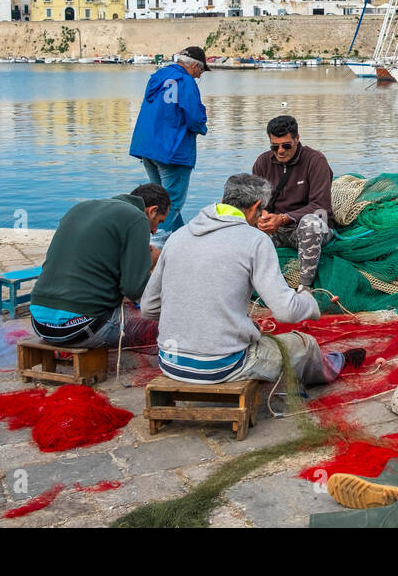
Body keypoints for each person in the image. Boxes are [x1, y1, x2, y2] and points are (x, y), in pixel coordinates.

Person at [141, 173, 362, 386]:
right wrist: (309, 301)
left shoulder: (177, 237)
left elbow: (149, 308)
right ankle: (337, 363)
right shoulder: (255, 240)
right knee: (304, 345)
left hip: (171, 362)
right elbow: (287, 312)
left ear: (223, 200)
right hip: (222, 366)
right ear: (256, 207)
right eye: (259, 213)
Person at [28, 183, 170, 348]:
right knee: (169, 324)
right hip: (80, 329)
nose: (154, 231)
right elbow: (135, 290)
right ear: (152, 211)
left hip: (40, 323)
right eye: (159, 221)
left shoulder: (80, 208)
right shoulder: (137, 218)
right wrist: (149, 262)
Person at [129, 46, 209, 240]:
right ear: (194, 66)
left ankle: (183, 241)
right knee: (172, 203)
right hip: (173, 151)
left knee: (163, 202)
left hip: (147, 148)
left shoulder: (158, 76)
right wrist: (203, 125)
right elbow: (194, 117)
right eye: (201, 71)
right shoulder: (186, 81)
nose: (199, 76)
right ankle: (151, 244)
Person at [250, 114, 334, 290]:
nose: (280, 151)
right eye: (275, 146)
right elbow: (255, 202)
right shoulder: (262, 162)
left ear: (297, 139)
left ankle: (305, 287)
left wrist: (283, 218)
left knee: (309, 223)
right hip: (277, 229)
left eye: (286, 145)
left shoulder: (315, 160)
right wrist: (262, 216)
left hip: (313, 228)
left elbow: (320, 207)